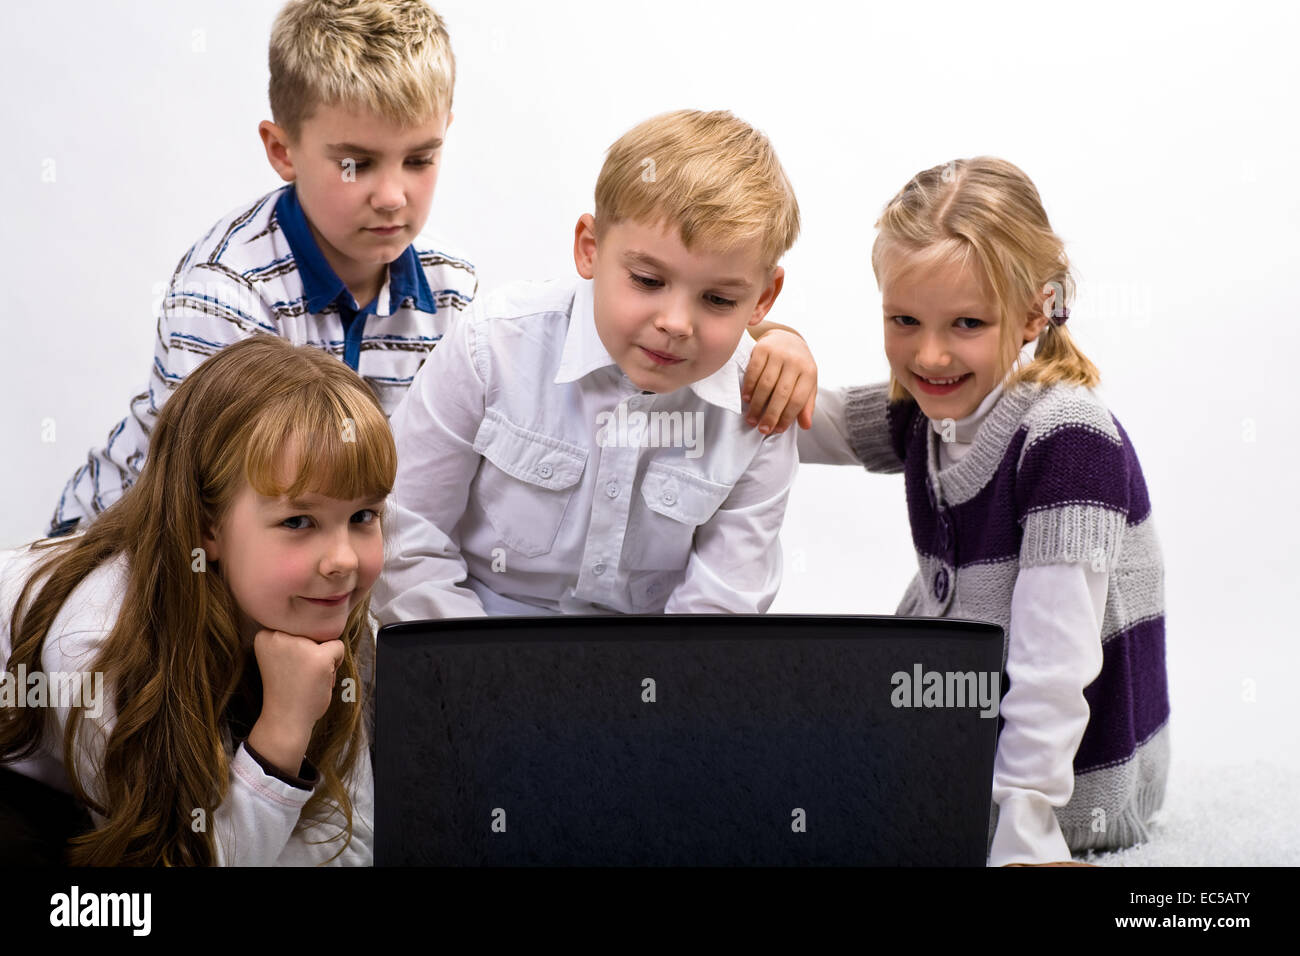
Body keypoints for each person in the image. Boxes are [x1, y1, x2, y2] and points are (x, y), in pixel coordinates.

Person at [797, 157, 1169, 866]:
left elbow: (1051, 665)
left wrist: (1026, 827)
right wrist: (771, 354)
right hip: (959, 723)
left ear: (1035, 311)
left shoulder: (1068, 436)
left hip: (1072, 787)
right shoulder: (930, 407)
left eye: (966, 323)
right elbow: (805, 420)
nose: (929, 354)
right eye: (903, 320)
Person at [45, 0, 474, 539]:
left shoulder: (455, 292)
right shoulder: (223, 293)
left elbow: (431, 490)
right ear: (282, 149)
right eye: (355, 164)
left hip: (306, 549)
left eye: (419, 160)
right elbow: (205, 513)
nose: (391, 197)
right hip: (137, 550)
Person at [371, 109, 810, 620]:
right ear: (590, 249)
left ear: (764, 298)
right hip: (471, 646)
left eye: (717, 300)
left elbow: (720, 607)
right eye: (647, 281)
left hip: (649, 680)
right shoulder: (493, 345)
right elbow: (405, 534)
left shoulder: (760, 409)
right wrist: (479, 679)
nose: (676, 323)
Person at [2, 335, 392, 865]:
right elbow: (168, 864)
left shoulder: (325, 604)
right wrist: (283, 730)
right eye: (299, 521)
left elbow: (346, 841)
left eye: (363, 517)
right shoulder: (95, 640)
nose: (343, 559)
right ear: (208, 526)